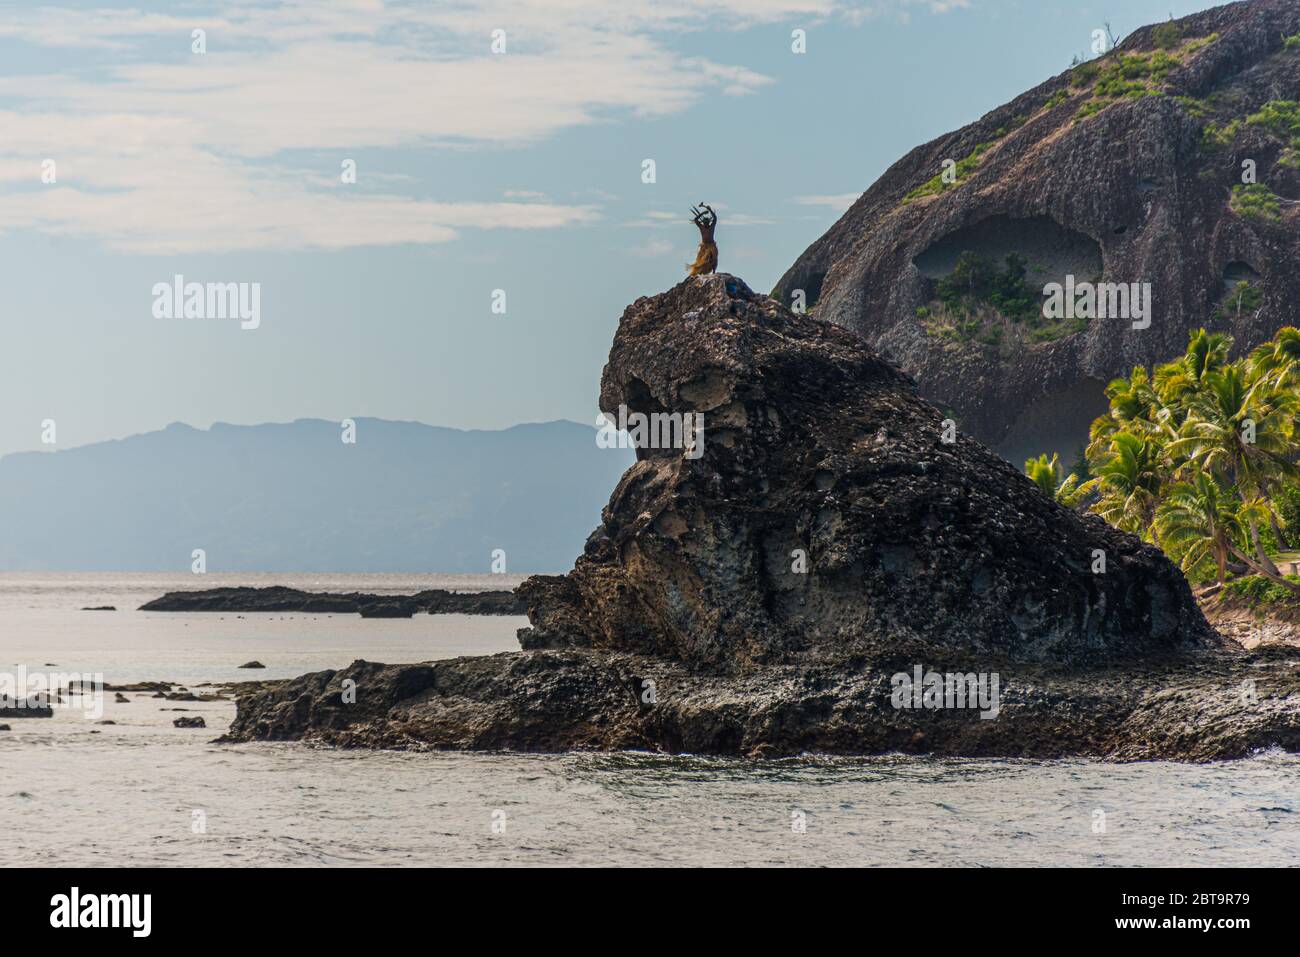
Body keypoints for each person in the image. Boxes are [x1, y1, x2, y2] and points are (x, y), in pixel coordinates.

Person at [687, 203, 718, 276]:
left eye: (707, 221)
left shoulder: (712, 227)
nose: (706, 223)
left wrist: (710, 210)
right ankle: (698, 272)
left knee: (713, 259)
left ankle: (713, 271)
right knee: (700, 260)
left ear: (709, 222)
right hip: (703, 246)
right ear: (703, 222)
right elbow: (696, 219)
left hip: (711, 246)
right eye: (705, 222)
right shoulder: (701, 227)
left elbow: (715, 218)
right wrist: (703, 213)